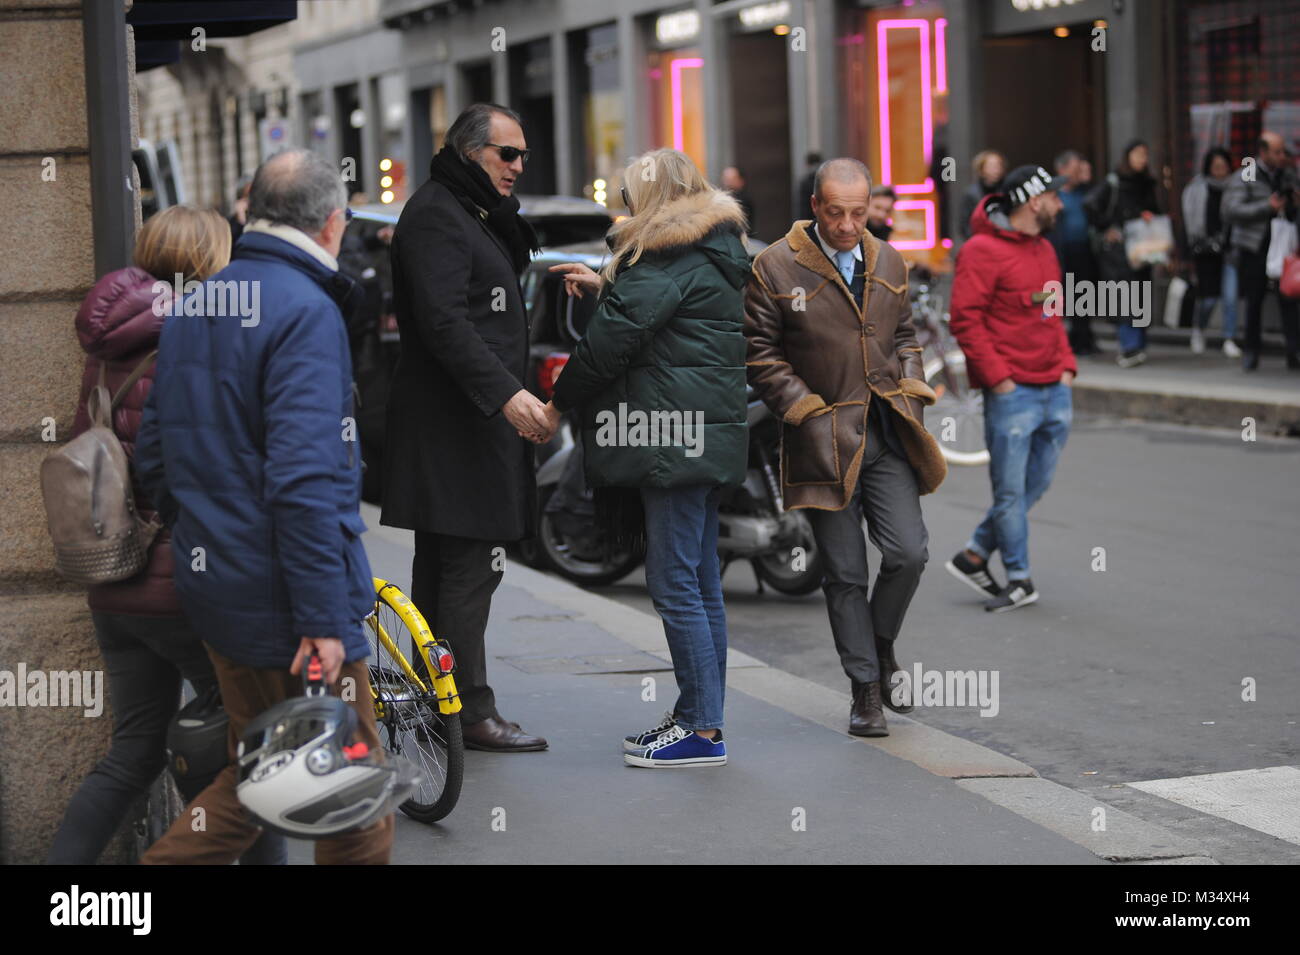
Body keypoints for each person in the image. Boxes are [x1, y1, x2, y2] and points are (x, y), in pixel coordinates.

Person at [134, 149, 392, 864]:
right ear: (333, 223)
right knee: (352, 808)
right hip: (290, 601)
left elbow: (155, 453)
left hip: (220, 589)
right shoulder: (306, 311)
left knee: (264, 780)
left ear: (252, 209)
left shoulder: (202, 301)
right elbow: (308, 478)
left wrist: (202, 540)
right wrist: (321, 615)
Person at [45, 207, 281, 866]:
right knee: (255, 755)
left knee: (134, 750)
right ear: (211, 259)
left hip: (112, 581)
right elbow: (191, 462)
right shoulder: (199, 332)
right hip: (183, 581)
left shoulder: (106, 343)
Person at [541, 149, 749, 766]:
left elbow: (607, 349)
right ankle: (699, 718)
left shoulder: (658, 257)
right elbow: (675, 316)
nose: (624, 208)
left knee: (674, 583)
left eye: (630, 196)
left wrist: (554, 406)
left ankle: (701, 731)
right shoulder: (711, 248)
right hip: (704, 438)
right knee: (701, 579)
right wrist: (609, 286)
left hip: (670, 442)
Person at [744, 158, 948, 736]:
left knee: (910, 552)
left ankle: (881, 651)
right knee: (844, 574)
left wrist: (911, 379)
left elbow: (904, 334)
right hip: (820, 441)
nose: (848, 225)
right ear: (815, 207)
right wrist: (803, 408)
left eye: (858, 214)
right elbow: (760, 352)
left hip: (886, 432)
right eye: (836, 213)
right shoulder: (774, 266)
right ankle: (865, 692)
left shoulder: (888, 259)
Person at [381, 103, 548, 752]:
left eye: (523, 155)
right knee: (467, 570)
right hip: (455, 426)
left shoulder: (464, 209)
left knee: (451, 566)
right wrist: (507, 395)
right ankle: (468, 710)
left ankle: (438, 702)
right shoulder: (438, 215)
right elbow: (447, 323)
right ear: (469, 151)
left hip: (460, 425)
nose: (518, 166)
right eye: (507, 154)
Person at [945, 165, 1077, 613]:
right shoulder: (981, 251)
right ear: (1035, 201)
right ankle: (1019, 577)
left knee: (1033, 484)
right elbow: (965, 319)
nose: (1062, 203)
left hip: (1054, 388)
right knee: (1010, 492)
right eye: (1056, 196)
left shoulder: (1044, 248)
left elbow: (1052, 312)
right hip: (1012, 393)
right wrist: (999, 378)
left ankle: (975, 552)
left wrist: (1067, 366)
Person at [1222, 131, 1300, 371]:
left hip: (1283, 244)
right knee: (1254, 300)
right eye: (1275, 152)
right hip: (1255, 245)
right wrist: (1266, 206)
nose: (1280, 156)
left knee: (1289, 297)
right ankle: (1251, 351)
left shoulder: (1288, 174)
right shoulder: (1248, 171)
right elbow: (1231, 210)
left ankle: (1293, 351)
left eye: (1282, 151)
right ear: (1263, 152)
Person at [1085, 139, 1161, 368]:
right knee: (1122, 297)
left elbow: (1156, 210)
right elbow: (1091, 206)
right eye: (1137, 154)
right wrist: (1107, 228)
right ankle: (1129, 346)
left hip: (1143, 246)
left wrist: (1149, 217)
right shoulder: (1114, 181)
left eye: (1144, 154)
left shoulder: (1148, 182)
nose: (1142, 159)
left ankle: (1138, 345)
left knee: (1140, 294)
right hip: (1119, 251)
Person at [1182, 147, 1241, 358]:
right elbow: (1189, 222)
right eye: (1216, 167)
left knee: (1230, 296)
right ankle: (1199, 328)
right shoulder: (1196, 189)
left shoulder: (1237, 187)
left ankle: (1229, 337)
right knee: (1208, 299)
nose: (1220, 171)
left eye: (1223, 166)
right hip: (1204, 250)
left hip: (1230, 250)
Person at [1047, 149, 1100, 355]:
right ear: (1062, 169)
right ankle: (1064, 340)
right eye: (1075, 169)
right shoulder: (1052, 194)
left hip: (1084, 250)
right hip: (1060, 251)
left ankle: (1083, 337)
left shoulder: (1086, 192)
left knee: (1083, 294)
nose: (1078, 173)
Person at [959, 149, 1006, 239]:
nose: (996, 169)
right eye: (992, 166)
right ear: (981, 169)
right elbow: (965, 225)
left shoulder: (1006, 190)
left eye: (999, 165)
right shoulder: (971, 194)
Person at [721, 164, 757, 237]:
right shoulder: (719, 199)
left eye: (732, 179)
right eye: (726, 179)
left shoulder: (744, 201)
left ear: (741, 181)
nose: (728, 182)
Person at [794, 150, 823, 220]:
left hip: (810, 220)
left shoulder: (806, 182)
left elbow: (803, 207)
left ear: (807, 164)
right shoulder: (825, 179)